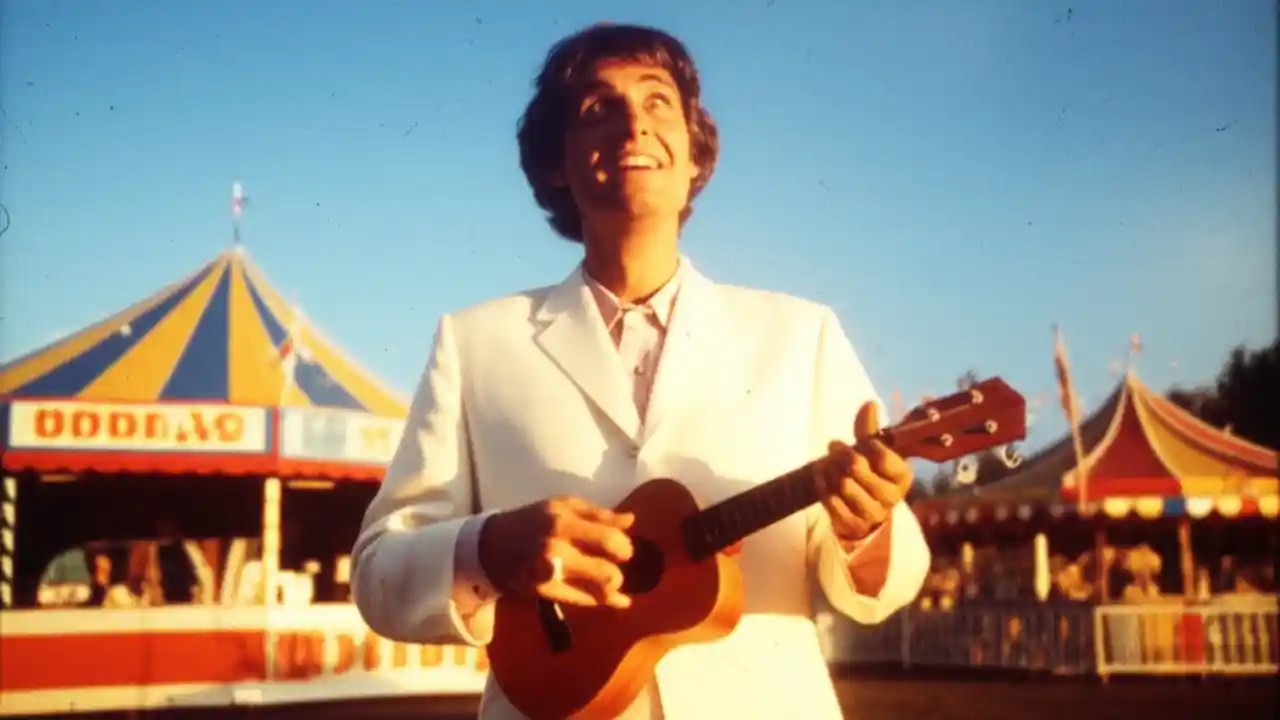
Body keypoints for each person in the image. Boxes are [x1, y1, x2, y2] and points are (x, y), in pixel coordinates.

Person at [352, 23, 930, 719]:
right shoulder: (474, 343)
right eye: (598, 109)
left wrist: (865, 526)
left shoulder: (802, 335)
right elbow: (379, 572)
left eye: (659, 103)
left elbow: (883, 586)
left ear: (694, 155)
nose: (634, 124)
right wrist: (490, 548)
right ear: (556, 163)